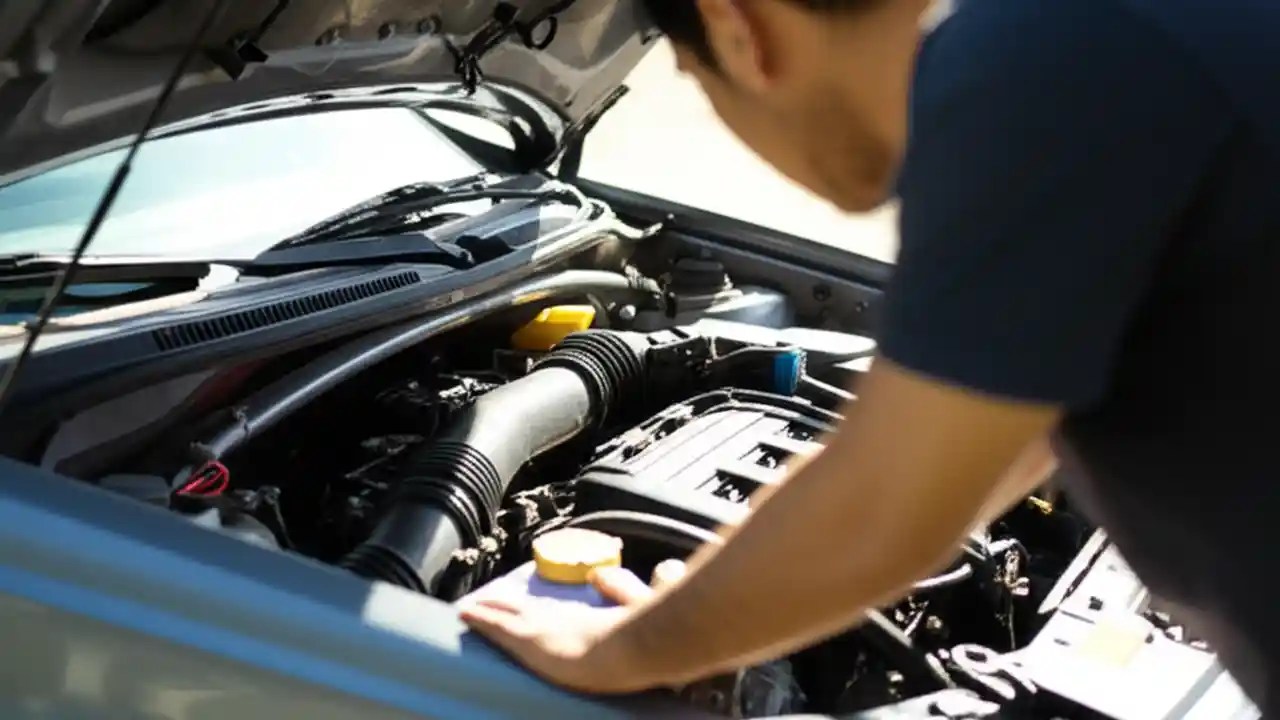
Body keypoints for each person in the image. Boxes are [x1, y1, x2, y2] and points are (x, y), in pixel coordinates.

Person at [461, 0, 1280, 712]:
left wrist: (617, 648)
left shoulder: (1044, 67)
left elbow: (882, 511)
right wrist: (729, 602)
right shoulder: (1104, 34)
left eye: (691, 75)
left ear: (734, 27)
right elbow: (990, 444)